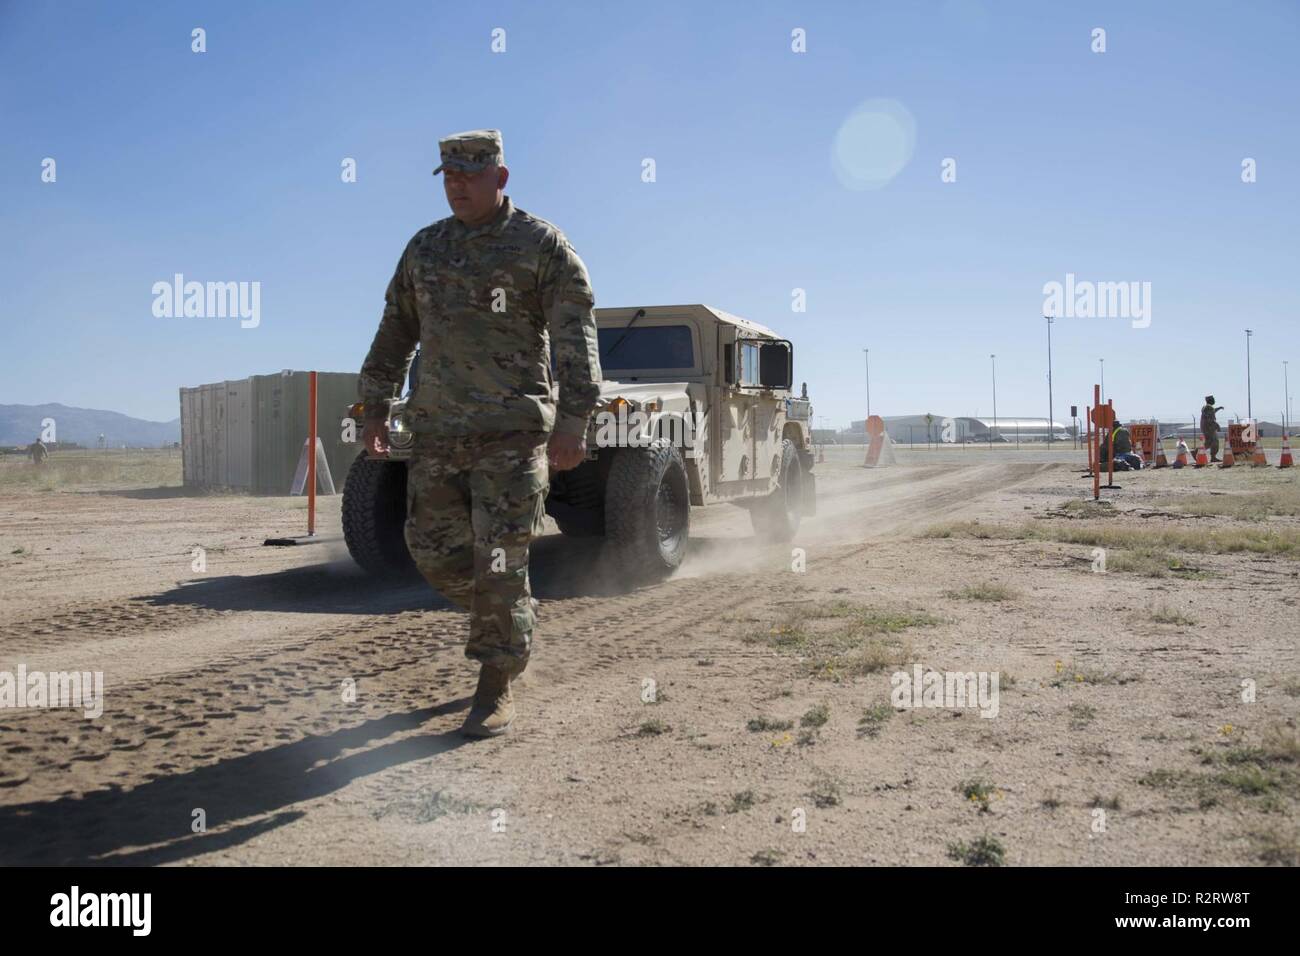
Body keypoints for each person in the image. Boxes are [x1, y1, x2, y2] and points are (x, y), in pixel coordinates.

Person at [358, 130, 602, 738]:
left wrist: (573, 421)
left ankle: (495, 682)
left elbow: (576, 337)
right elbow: (395, 332)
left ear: (502, 176)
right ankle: (512, 616)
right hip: (438, 430)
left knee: (498, 561)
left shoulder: (541, 245)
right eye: (448, 175)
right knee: (433, 553)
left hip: (512, 434)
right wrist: (374, 406)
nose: (457, 185)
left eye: (470, 174)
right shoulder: (426, 248)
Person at [1200, 395, 1224, 462]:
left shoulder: (1207, 407)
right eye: (1213, 399)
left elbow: (1212, 412)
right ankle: (1212, 457)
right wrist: (1216, 425)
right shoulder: (1209, 407)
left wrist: (1218, 408)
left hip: (1206, 428)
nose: (1214, 400)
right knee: (1214, 442)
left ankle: (1197, 452)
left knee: (1209, 442)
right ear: (1210, 400)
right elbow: (1209, 418)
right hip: (1209, 428)